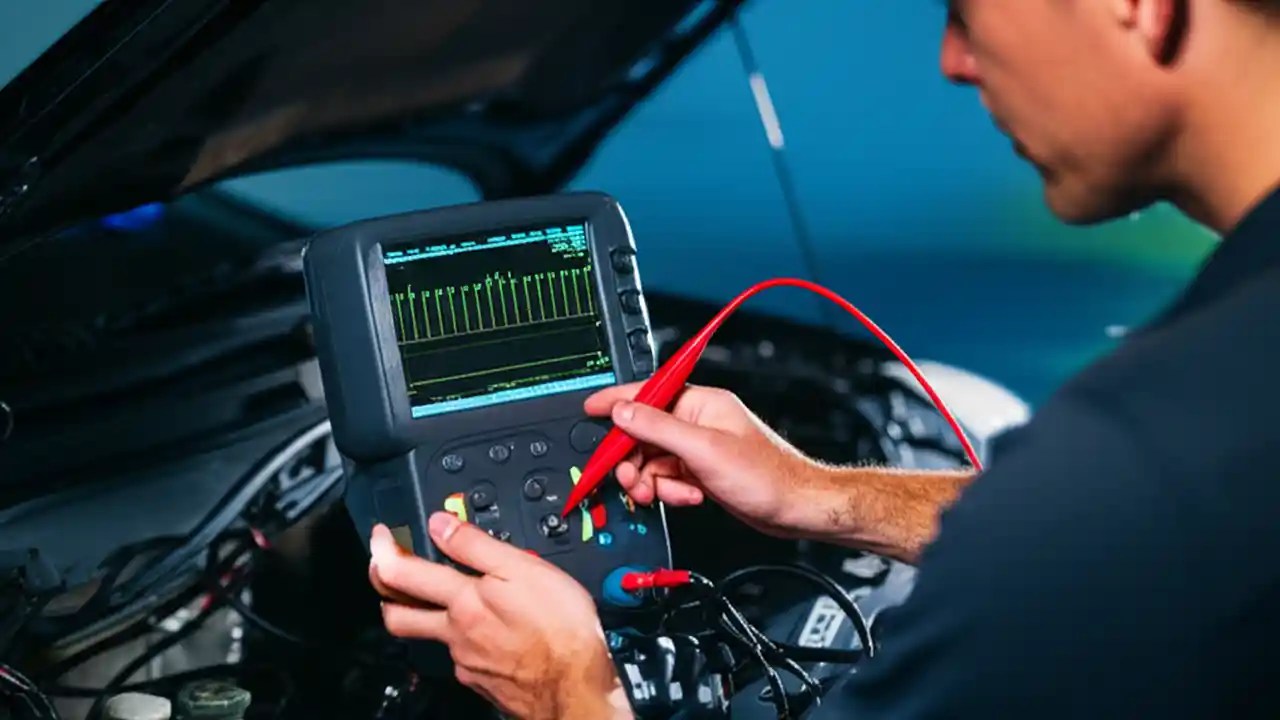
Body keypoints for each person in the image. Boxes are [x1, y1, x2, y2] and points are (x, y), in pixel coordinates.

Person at [366, 0, 1280, 717]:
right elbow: (1101, 531)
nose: (951, 61)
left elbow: (1120, 513)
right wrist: (816, 493)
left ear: (1138, 4)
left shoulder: (1152, 448)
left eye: (964, 10)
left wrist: (571, 694)